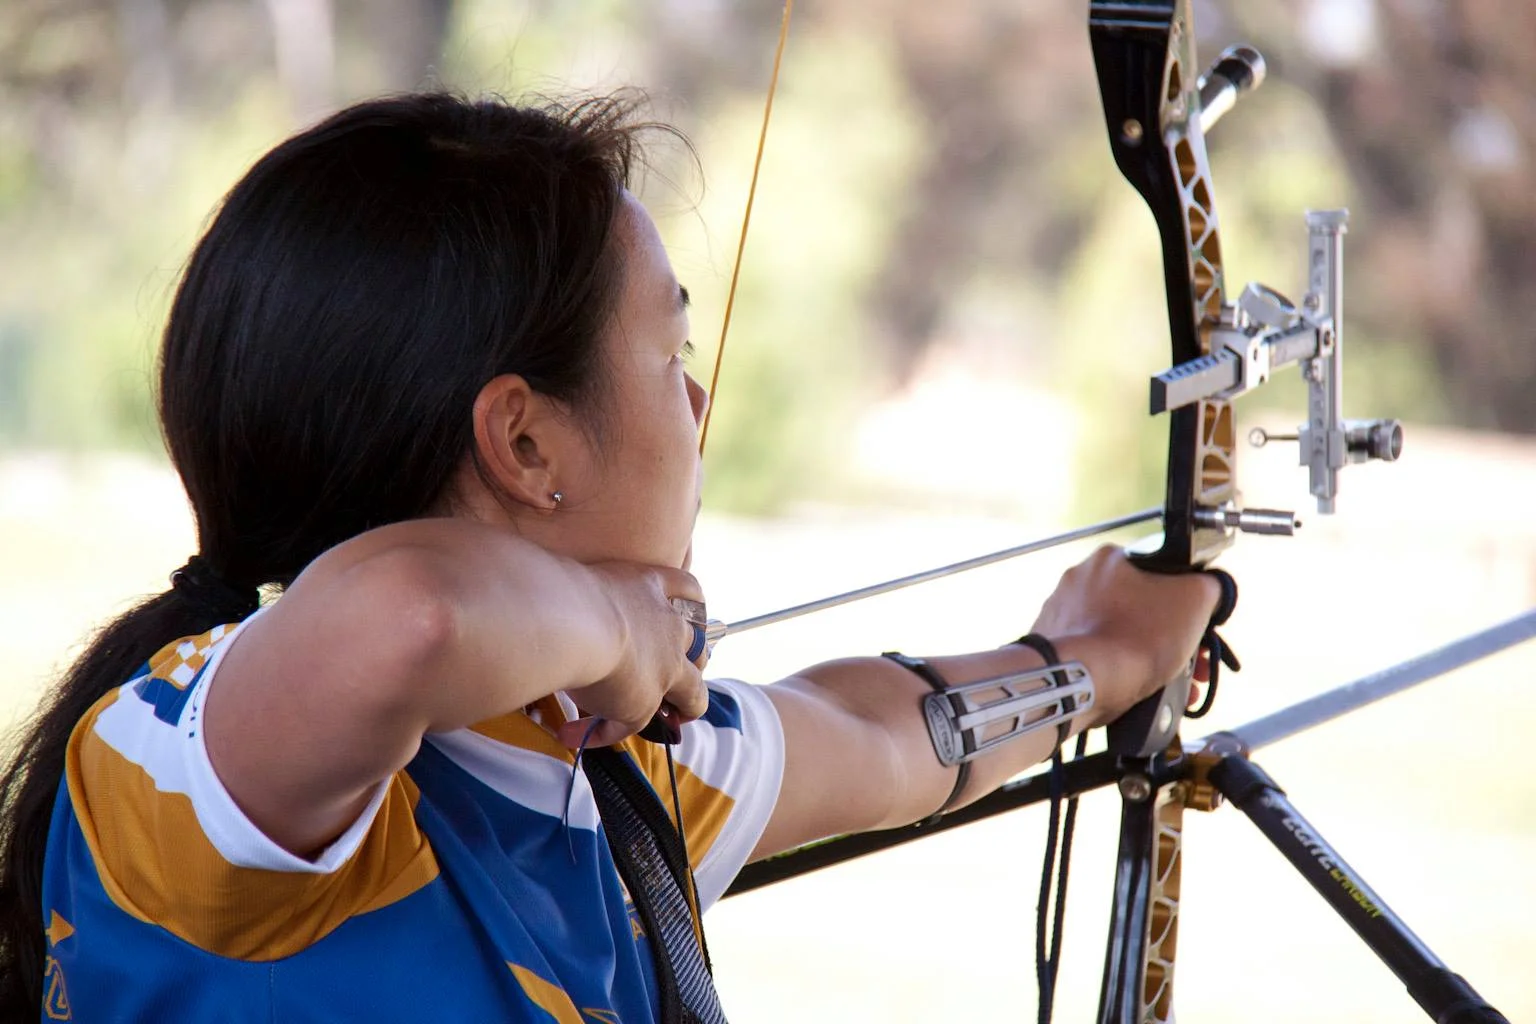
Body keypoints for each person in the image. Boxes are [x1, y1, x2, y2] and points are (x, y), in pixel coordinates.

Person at [0, 92, 1219, 1022]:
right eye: (665, 355)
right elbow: (409, 614)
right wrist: (611, 621)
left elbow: (889, 739)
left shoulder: (601, 763)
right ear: (525, 442)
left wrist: (1090, 655)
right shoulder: (185, 760)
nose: (698, 407)